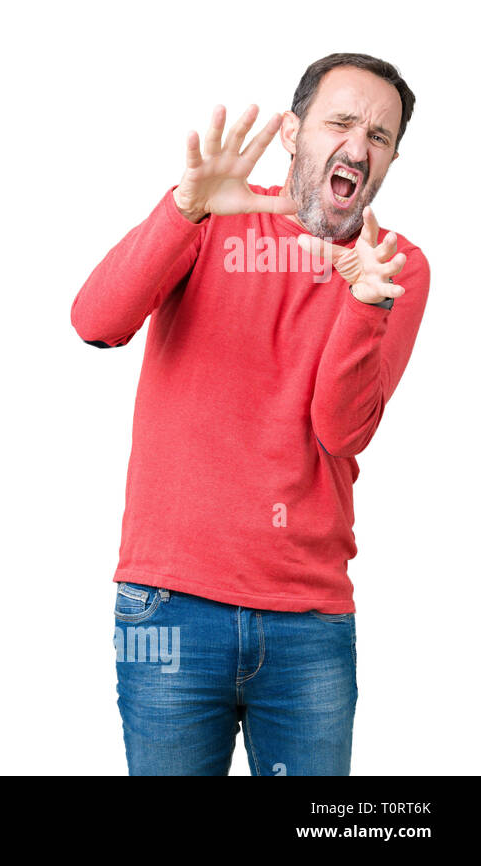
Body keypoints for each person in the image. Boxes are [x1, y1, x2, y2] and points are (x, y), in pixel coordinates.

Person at [73, 53, 425, 775]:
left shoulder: (393, 266)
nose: (358, 146)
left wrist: (364, 304)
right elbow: (95, 322)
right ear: (293, 133)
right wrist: (184, 209)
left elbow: (341, 431)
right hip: (168, 607)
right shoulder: (216, 216)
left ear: (391, 158)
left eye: (379, 136)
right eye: (340, 122)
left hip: (309, 622)